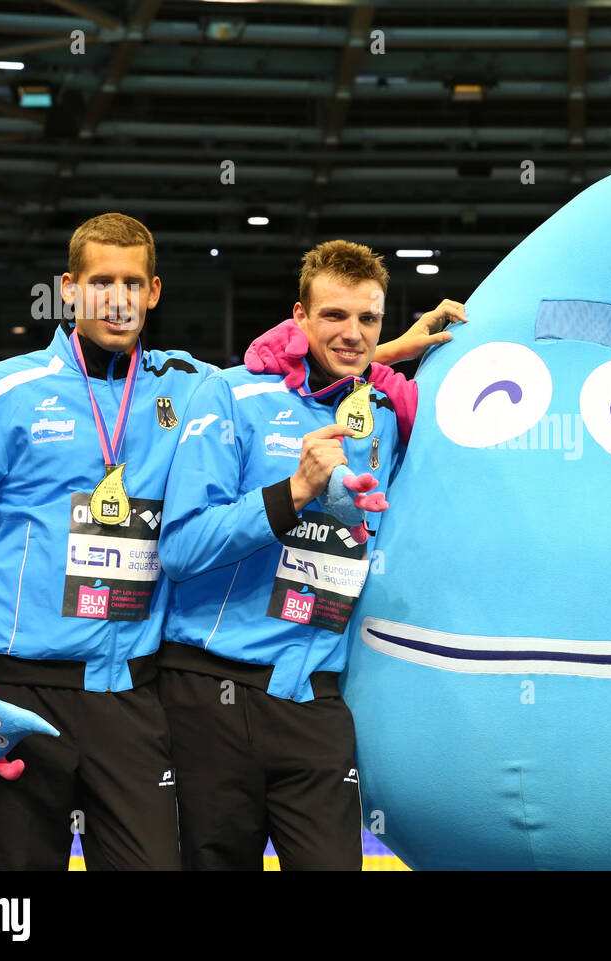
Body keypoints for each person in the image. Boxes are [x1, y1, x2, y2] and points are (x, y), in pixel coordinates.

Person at [0, 212, 206, 869]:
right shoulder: (3, 392)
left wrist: (381, 352)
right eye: (101, 281)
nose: (117, 298)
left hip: (130, 696)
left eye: (132, 282)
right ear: (69, 289)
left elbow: (284, 377)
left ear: (154, 292)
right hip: (13, 691)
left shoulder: (190, 390)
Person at [157, 239, 464, 870]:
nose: (353, 334)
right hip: (214, 694)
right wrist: (293, 491)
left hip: (318, 700)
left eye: (368, 320)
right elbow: (180, 548)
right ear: (299, 317)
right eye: (334, 316)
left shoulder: (381, 412)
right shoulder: (229, 396)